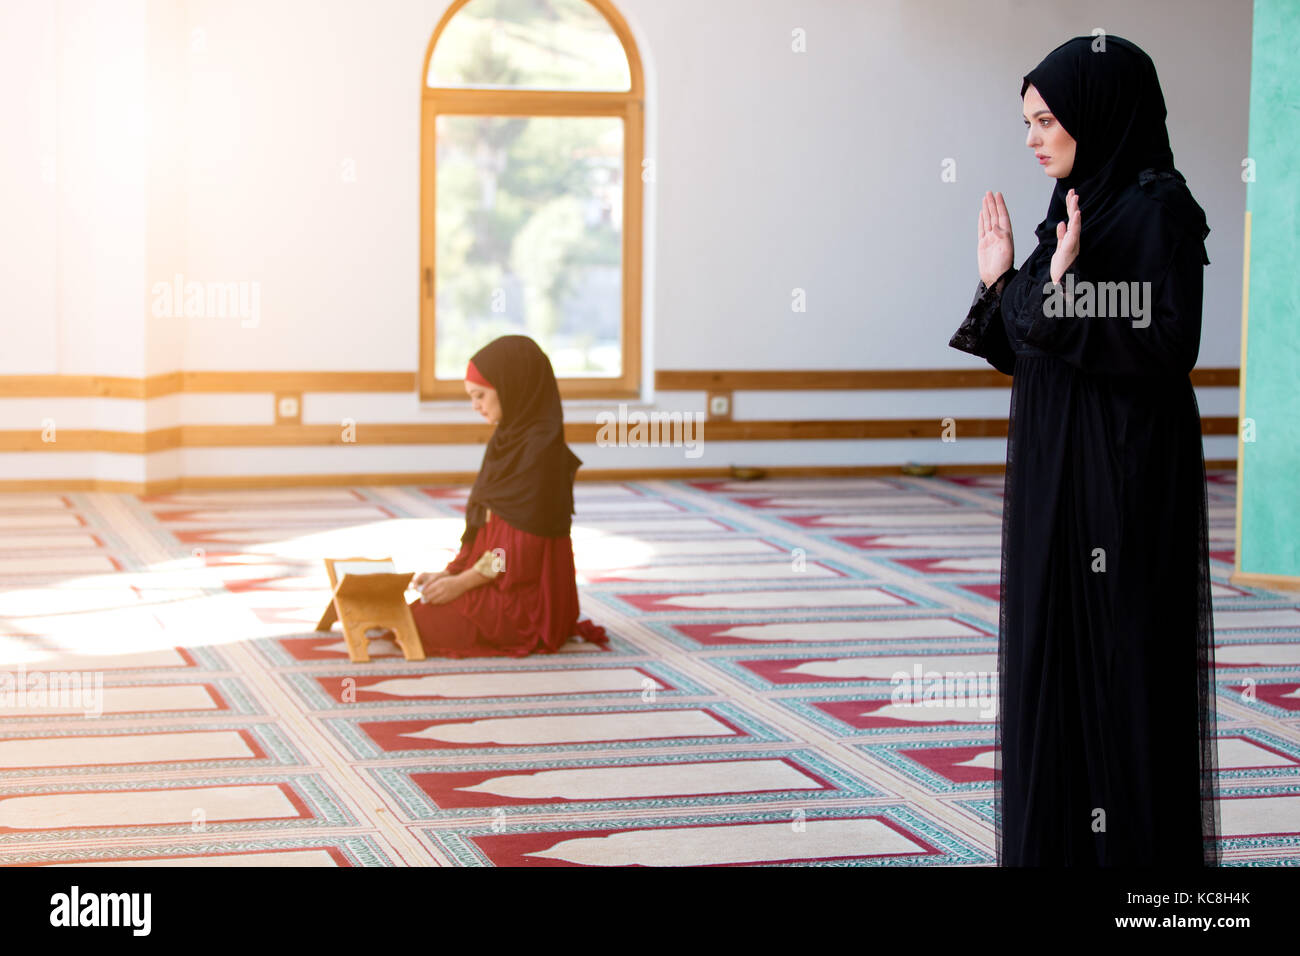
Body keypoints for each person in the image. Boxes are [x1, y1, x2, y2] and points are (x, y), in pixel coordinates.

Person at [949, 35, 1220, 866]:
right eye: (1027, 122)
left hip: (1123, 473)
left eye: (1047, 119)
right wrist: (1003, 279)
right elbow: (1033, 339)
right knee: (1054, 657)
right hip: (1052, 472)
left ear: (1099, 114)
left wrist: (1062, 296)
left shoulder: (1156, 207)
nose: (1033, 138)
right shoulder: (1075, 203)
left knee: (1121, 663)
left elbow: (1168, 341)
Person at [405, 334, 609, 657]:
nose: (475, 406)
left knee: (415, 624)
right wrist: (451, 572)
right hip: (494, 580)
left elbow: (520, 553)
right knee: (413, 614)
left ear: (511, 386)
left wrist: (461, 583)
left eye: (480, 396)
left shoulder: (540, 453)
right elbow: (483, 529)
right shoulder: (506, 440)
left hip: (530, 599)